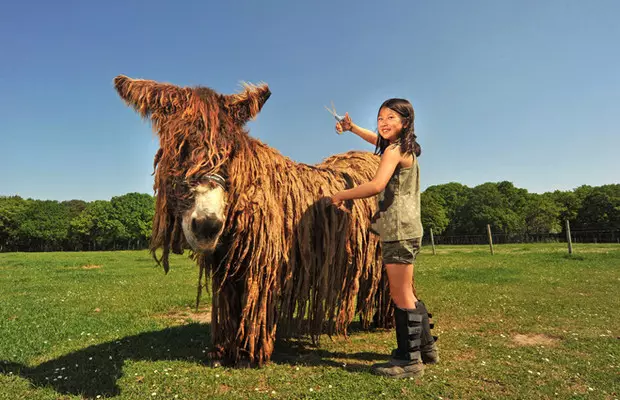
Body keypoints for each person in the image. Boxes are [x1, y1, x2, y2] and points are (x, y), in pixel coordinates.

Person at [331, 99, 438, 379]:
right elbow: (377, 140)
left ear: (405, 122)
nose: (383, 122)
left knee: (400, 294)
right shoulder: (403, 148)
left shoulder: (393, 150)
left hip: (398, 229)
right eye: (380, 117)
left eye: (391, 117)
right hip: (405, 227)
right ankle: (425, 348)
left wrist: (341, 195)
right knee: (407, 293)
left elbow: (376, 185)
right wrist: (353, 128)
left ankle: (408, 360)